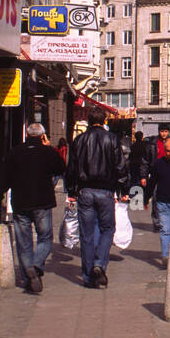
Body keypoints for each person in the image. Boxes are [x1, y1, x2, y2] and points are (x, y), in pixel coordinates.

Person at [0, 123, 67, 293]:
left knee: (24, 242)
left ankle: (28, 278)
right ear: (43, 136)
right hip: (42, 202)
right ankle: (36, 265)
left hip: (20, 204)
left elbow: (3, 179)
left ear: (27, 135)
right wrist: (50, 148)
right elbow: (62, 168)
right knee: (45, 238)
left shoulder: (14, 153)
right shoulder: (47, 152)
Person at [65, 109, 129, 288]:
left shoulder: (79, 140)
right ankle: (99, 263)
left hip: (84, 191)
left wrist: (71, 191)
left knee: (86, 234)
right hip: (106, 192)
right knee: (108, 229)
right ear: (104, 120)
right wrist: (124, 189)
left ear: (88, 120)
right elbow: (120, 167)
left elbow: (71, 168)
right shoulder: (112, 139)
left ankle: (87, 277)